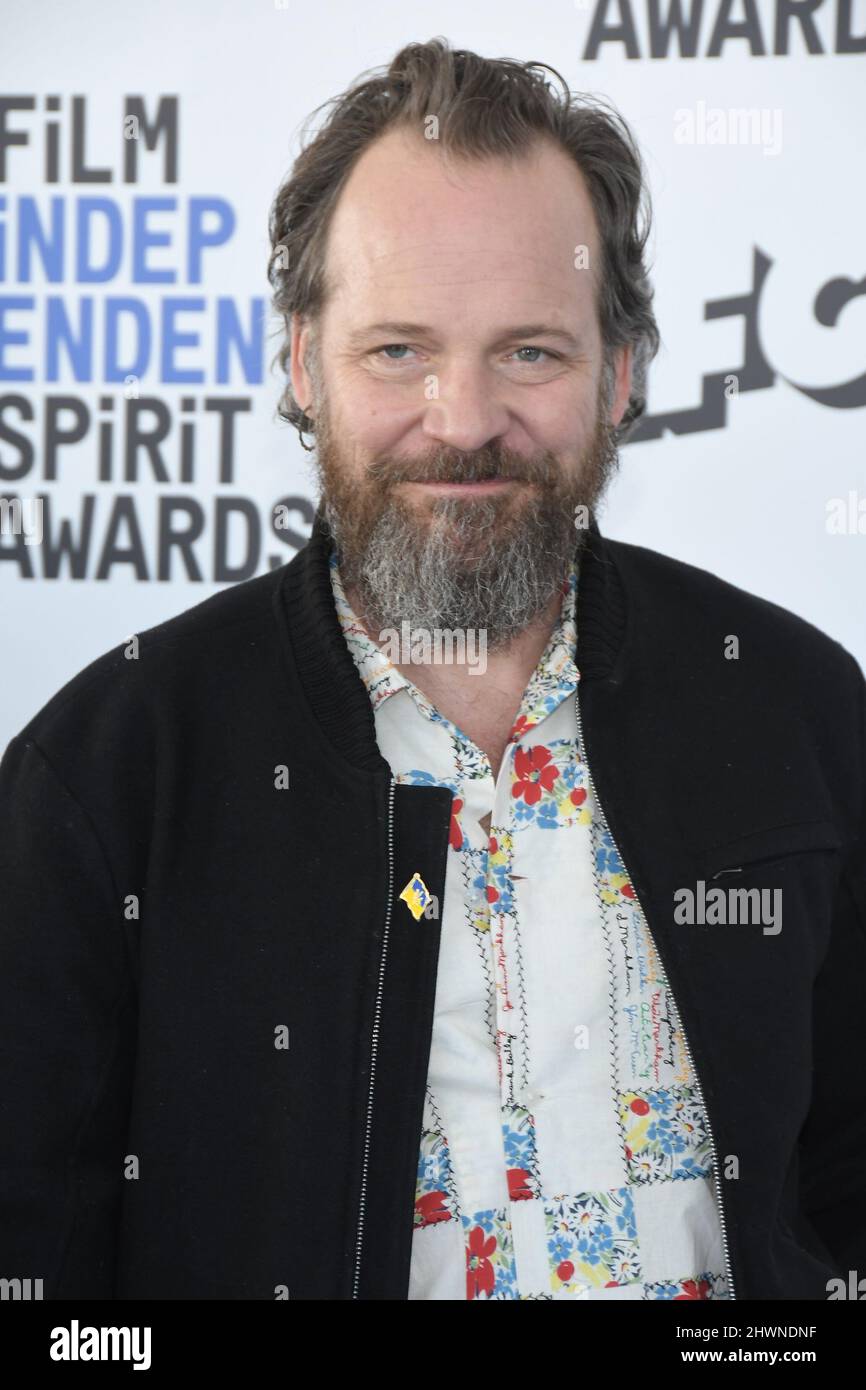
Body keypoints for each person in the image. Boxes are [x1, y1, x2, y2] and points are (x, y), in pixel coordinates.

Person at [1, 37, 863, 1302]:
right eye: (396, 349)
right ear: (303, 363)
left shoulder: (797, 709)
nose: (460, 421)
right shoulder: (107, 774)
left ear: (621, 372)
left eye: (529, 352)